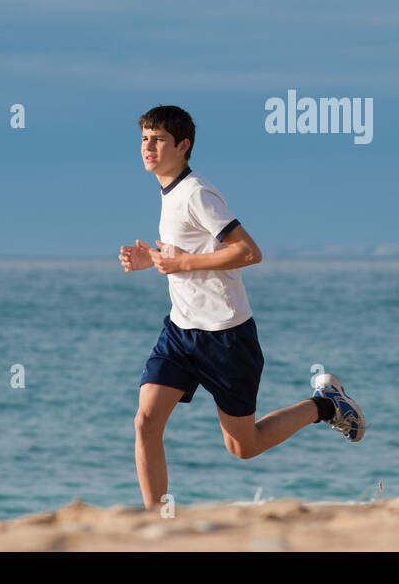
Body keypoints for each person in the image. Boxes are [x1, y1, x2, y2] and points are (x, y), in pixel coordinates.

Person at [120, 105, 365, 510]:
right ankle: (156, 523)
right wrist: (157, 260)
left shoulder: (198, 192)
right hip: (181, 333)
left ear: (183, 146)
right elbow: (192, 251)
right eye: (145, 138)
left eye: (159, 139)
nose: (149, 146)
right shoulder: (170, 192)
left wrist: (179, 262)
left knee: (243, 446)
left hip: (226, 338)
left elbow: (248, 252)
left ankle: (325, 406)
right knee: (145, 422)